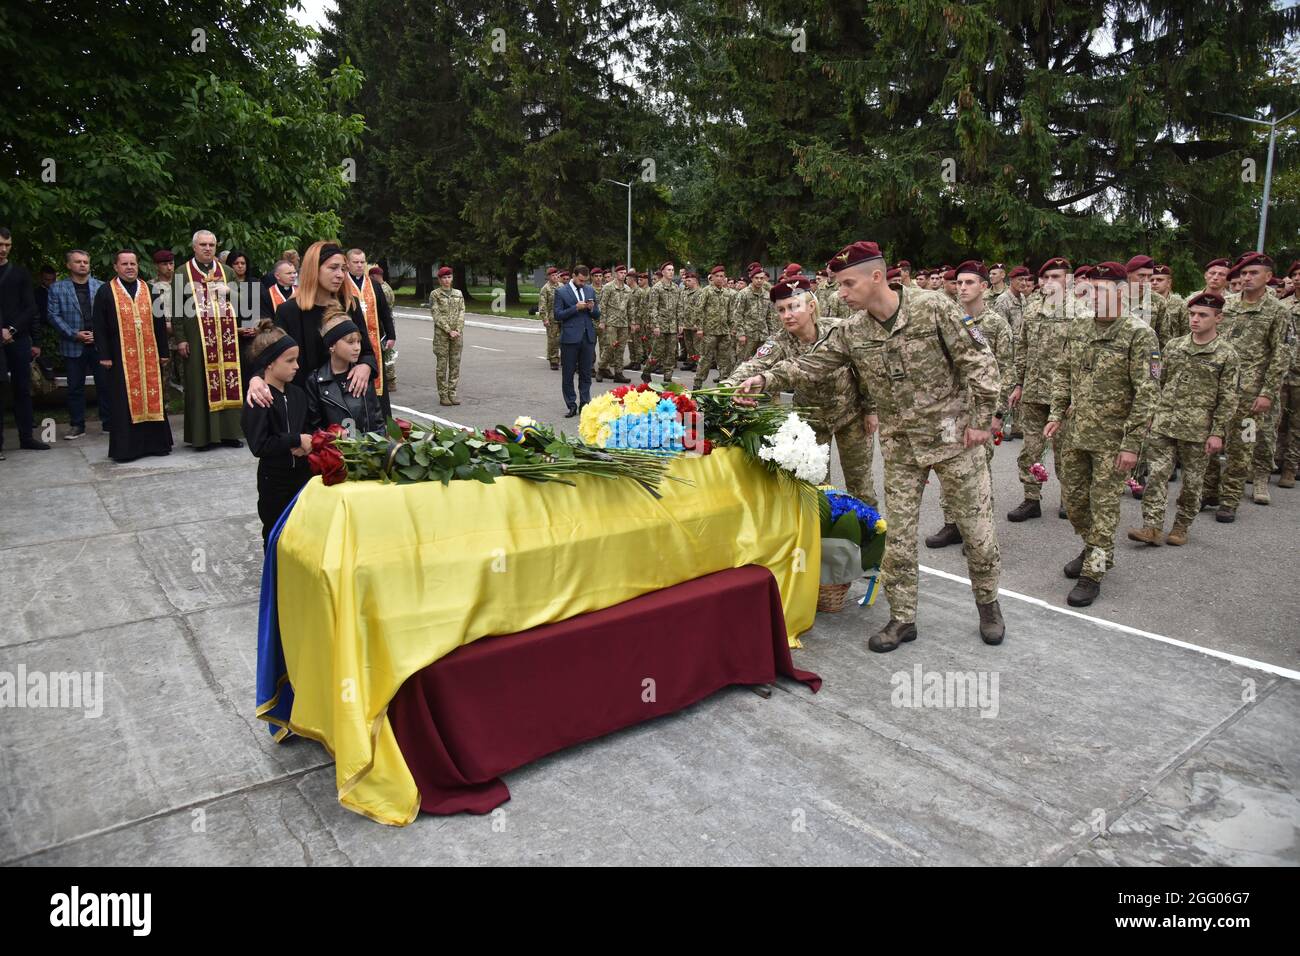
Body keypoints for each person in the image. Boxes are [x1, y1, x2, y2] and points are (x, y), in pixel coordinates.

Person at [737, 240, 1004, 651]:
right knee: (897, 535)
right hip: (901, 446)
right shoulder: (853, 330)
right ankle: (903, 618)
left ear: (876, 277)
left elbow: (979, 361)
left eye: (847, 284)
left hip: (954, 439)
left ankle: (988, 604)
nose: (839, 294)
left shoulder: (933, 307)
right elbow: (811, 362)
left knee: (976, 530)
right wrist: (765, 379)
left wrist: (983, 422)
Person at [1044, 261, 1159, 607]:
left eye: (1100, 290)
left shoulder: (1139, 334)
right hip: (1076, 434)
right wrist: (1055, 414)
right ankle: (1093, 544)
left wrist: (1132, 445)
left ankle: (1093, 572)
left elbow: (1147, 394)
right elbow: (1063, 372)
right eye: (1088, 290)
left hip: (1113, 441)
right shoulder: (1079, 328)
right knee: (1076, 503)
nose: (1092, 297)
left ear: (1122, 292)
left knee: (1105, 506)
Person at [725, 274, 878, 507]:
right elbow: (754, 365)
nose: (786, 315)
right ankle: (823, 538)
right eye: (781, 310)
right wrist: (729, 385)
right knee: (815, 487)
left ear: (811, 306)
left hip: (851, 416)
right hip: (810, 422)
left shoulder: (837, 330)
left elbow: (865, 370)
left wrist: (870, 409)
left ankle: (869, 536)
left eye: (793, 307)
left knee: (861, 486)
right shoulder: (779, 341)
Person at [1127, 293, 1239, 547]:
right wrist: (1150, 415)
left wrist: (1217, 432)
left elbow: (1228, 397)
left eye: (1202, 315)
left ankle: (1181, 526)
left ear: (1218, 318)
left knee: (1192, 482)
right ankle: (1152, 527)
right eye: (1192, 314)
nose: (1195, 320)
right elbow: (1159, 382)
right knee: (1156, 475)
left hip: (1198, 429)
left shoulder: (1226, 354)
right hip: (1165, 422)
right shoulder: (1174, 346)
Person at [926, 260, 1013, 548]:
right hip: (950, 411)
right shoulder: (948, 320)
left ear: (984, 287)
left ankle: (979, 529)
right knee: (947, 464)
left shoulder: (996, 325)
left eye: (970, 283)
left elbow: (1006, 371)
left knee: (979, 472)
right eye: (960, 283)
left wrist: (997, 413)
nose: (962, 288)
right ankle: (952, 524)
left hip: (980, 412)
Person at [1202, 252, 1292, 517]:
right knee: (1208, 442)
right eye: (1243, 273)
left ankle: (1229, 500)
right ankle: (1209, 491)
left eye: (1254, 273)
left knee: (1242, 447)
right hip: (1216, 389)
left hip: (1251, 393)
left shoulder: (1278, 311)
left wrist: (1267, 392)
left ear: (1267, 276)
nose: (1247, 278)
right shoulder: (1225, 305)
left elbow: (1281, 354)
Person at [245, 242, 380, 415]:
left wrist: (365, 366)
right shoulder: (289, 311)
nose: (340, 275)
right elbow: (271, 357)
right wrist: (257, 378)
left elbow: (367, 351)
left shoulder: (349, 305)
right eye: (333, 268)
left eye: (343, 269)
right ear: (314, 269)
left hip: (346, 404)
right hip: (306, 405)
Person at [1007, 257, 1090, 521]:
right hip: (1033, 391)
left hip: (1065, 395)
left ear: (1069, 280)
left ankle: (1069, 499)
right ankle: (1031, 498)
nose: (1051, 282)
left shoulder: (1081, 311)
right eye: (1047, 277)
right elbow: (1021, 348)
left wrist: (1079, 393)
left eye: (1057, 276)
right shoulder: (1032, 309)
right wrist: (1018, 383)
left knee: (1067, 452)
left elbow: (1088, 357)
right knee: (1030, 449)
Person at [89, 250, 173, 463]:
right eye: (124, 264)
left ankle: (156, 445)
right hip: (120, 358)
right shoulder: (106, 292)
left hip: (149, 356)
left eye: (133, 264)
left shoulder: (149, 290)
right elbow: (99, 326)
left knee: (153, 396)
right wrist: (104, 355)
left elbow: (160, 324)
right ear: (116, 267)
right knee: (123, 401)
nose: (129, 267)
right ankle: (127, 449)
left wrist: (163, 352)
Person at [241, 322, 312, 549]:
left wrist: (308, 442)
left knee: (302, 536)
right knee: (276, 536)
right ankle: (276, 583)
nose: (296, 366)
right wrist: (295, 440)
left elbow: (308, 428)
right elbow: (259, 445)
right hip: (275, 482)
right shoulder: (259, 399)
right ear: (269, 363)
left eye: (296, 359)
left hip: (302, 477)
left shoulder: (298, 394)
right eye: (290, 361)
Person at [174, 230, 244, 449]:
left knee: (228, 382)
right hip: (196, 339)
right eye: (203, 244)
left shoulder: (228, 272)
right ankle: (202, 437)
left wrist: (228, 292)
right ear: (194, 247)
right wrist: (180, 339)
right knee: (199, 384)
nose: (207, 248)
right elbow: (176, 309)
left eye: (211, 245)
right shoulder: (182, 272)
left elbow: (243, 305)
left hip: (226, 340)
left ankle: (230, 433)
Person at [47, 249, 111, 440]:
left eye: (85, 262)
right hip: (73, 345)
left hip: (99, 345)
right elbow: (53, 315)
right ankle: (77, 425)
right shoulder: (57, 288)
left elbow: (109, 316)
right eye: (78, 262)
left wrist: (98, 335)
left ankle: (108, 422)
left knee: (105, 386)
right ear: (68, 265)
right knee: (75, 387)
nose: (83, 265)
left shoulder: (101, 286)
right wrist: (74, 334)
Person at [0, 227, 51, 457]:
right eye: (0, 244)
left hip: (17, 338)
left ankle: (27, 437)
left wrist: (11, 329)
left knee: (23, 388)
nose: (3, 249)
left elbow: (30, 307)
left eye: (7, 245)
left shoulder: (19, 273)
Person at [306, 308, 384, 434]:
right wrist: (334, 437)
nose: (357, 348)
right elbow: (314, 427)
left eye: (359, 342)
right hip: (335, 451)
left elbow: (377, 419)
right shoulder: (315, 381)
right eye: (350, 342)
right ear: (332, 345)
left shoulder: (363, 374)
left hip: (367, 450)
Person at [344, 248, 395, 401]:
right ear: (347, 263)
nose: (360, 265)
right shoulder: (342, 284)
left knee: (378, 376)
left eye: (362, 262)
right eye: (356, 262)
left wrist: (391, 335)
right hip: (350, 340)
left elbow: (385, 312)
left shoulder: (374, 284)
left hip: (374, 340)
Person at [554, 265, 599, 416]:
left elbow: (597, 314)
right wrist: (575, 308)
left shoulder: (589, 290)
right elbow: (558, 315)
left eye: (585, 281)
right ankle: (571, 404)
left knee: (586, 373)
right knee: (568, 373)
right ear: (573, 275)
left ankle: (585, 403)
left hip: (587, 337)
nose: (582, 283)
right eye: (580, 280)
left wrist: (592, 308)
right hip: (570, 338)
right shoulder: (561, 292)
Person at [694, 265, 735, 388]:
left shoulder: (727, 292)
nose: (719, 278)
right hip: (709, 332)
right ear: (712, 277)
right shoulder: (706, 291)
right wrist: (700, 328)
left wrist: (732, 327)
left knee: (725, 360)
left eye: (722, 276)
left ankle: (723, 387)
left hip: (724, 332)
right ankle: (697, 385)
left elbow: (730, 311)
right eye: (717, 276)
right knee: (705, 359)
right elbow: (698, 310)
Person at [429, 265, 465, 405]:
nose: (446, 280)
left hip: (457, 335)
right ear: (439, 279)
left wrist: (458, 330)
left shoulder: (458, 293)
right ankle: (443, 395)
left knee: (455, 365)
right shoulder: (435, 294)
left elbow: (462, 312)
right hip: (442, 337)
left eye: (449, 277)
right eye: (444, 278)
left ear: (452, 278)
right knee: (442, 366)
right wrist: (449, 330)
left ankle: (453, 393)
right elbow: (436, 314)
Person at [645, 261, 681, 383]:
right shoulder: (656, 288)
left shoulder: (676, 288)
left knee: (671, 354)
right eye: (668, 270)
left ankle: (668, 378)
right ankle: (646, 371)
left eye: (672, 270)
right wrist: (655, 325)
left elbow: (679, 307)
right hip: (661, 326)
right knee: (656, 353)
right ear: (663, 272)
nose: (671, 272)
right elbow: (652, 308)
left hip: (672, 327)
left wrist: (680, 323)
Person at [596, 264, 632, 383]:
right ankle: (601, 369)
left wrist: (633, 322)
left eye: (624, 273)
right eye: (621, 272)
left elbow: (630, 307)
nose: (623, 275)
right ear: (616, 274)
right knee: (610, 347)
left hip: (623, 323)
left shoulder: (627, 289)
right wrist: (602, 321)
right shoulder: (608, 287)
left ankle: (618, 373)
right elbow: (603, 305)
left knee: (621, 349)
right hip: (611, 322)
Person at [538, 266, 560, 369]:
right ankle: (553, 359)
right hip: (552, 318)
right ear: (549, 277)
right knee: (553, 340)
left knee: (563, 339)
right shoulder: (545, 289)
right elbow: (543, 306)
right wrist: (545, 319)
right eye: (553, 275)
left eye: (556, 275)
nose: (555, 277)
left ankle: (563, 358)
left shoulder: (562, 286)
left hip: (563, 317)